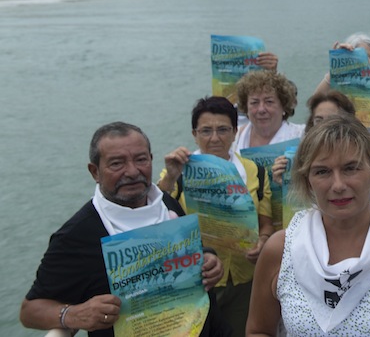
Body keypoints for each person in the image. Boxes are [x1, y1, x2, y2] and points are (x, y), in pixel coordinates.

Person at [246, 114, 370, 337]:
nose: (338, 185)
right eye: (322, 171)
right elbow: (259, 330)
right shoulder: (281, 249)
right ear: (307, 180)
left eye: (351, 168)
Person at [20, 122, 227, 337]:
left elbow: (195, 253)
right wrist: (73, 314)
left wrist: (209, 259)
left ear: (151, 160)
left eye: (141, 159)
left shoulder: (165, 203)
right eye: (117, 164)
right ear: (95, 172)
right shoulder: (77, 235)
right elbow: (30, 310)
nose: (132, 171)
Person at [158, 96, 274, 337]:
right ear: (194, 134)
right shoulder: (178, 172)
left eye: (222, 130)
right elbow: (151, 212)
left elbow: (266, 223)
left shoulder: (256, 171)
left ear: (234, 132)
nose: (214, 138)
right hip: (196, 279)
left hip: (244, 278)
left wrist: (262, 242)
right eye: (206, 130)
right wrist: (169, 177)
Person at [314, 33, 370, 146]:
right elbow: (314, 104)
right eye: (362, 55)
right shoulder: (338, 91)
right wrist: (337, 66)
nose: (368, 61)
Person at [271, 89, 355, 185]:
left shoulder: (358, 153)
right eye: (319, 120)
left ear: (348, 121)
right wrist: (285, 182)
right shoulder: (303, 157)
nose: (324, 125)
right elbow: (303, 195)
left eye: (332, 120)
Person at [234, 70, 305, 150]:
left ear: (284, 106)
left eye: (269, 102)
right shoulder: (234, 137)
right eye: (254, 102)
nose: (261, 109)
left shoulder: (301, 136)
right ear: (246, 107)